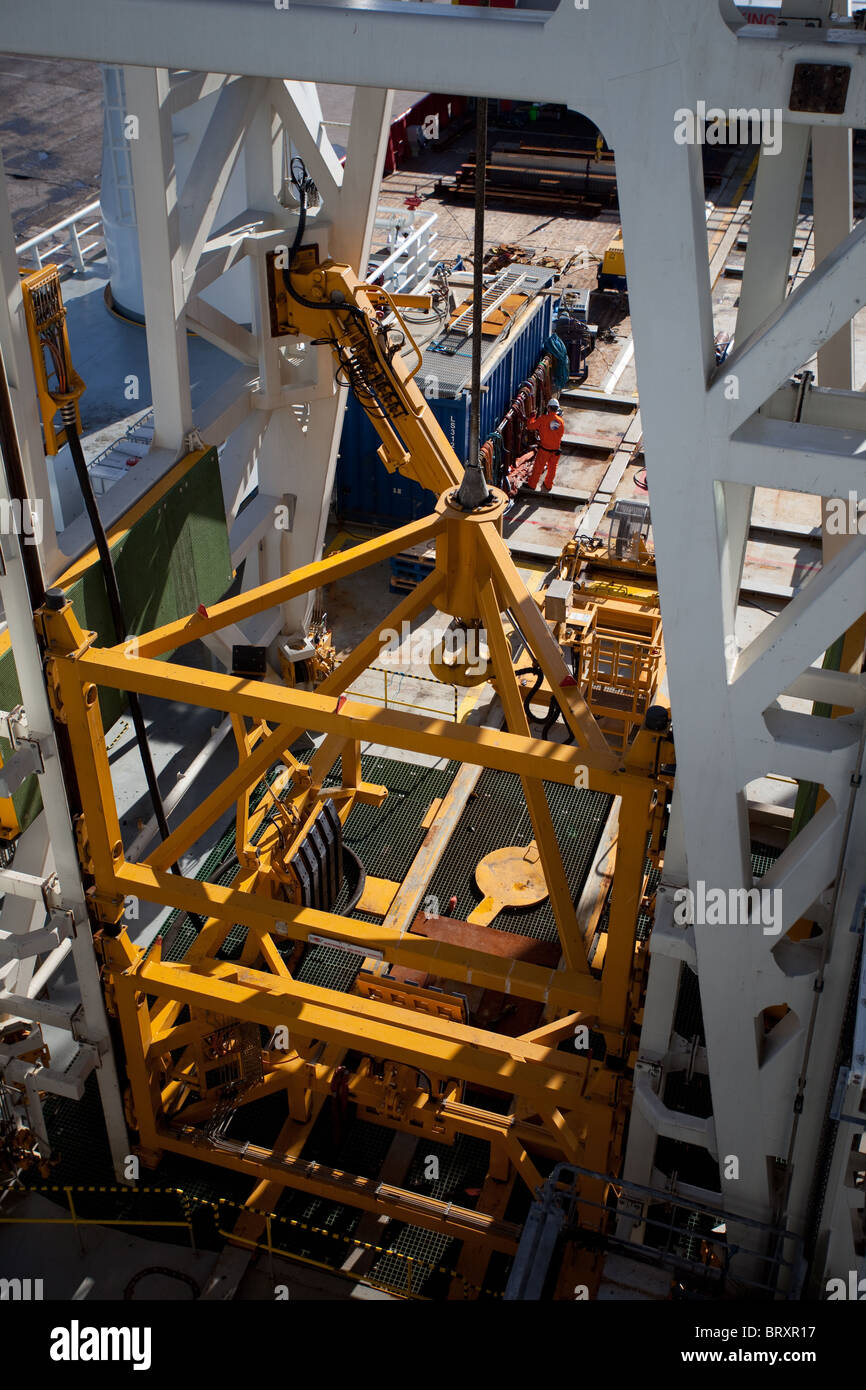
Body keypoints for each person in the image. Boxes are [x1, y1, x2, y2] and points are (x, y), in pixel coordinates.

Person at [527, 398, 565, 491]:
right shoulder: (561, 421)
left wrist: (531, 417)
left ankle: (532, 485)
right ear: (557, 409)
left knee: (538, 468)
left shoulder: (543, 419)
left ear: (548, 408)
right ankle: (548, 485)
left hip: (544, 450)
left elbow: (530, 427)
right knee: (552, 469)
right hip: (556, 451)